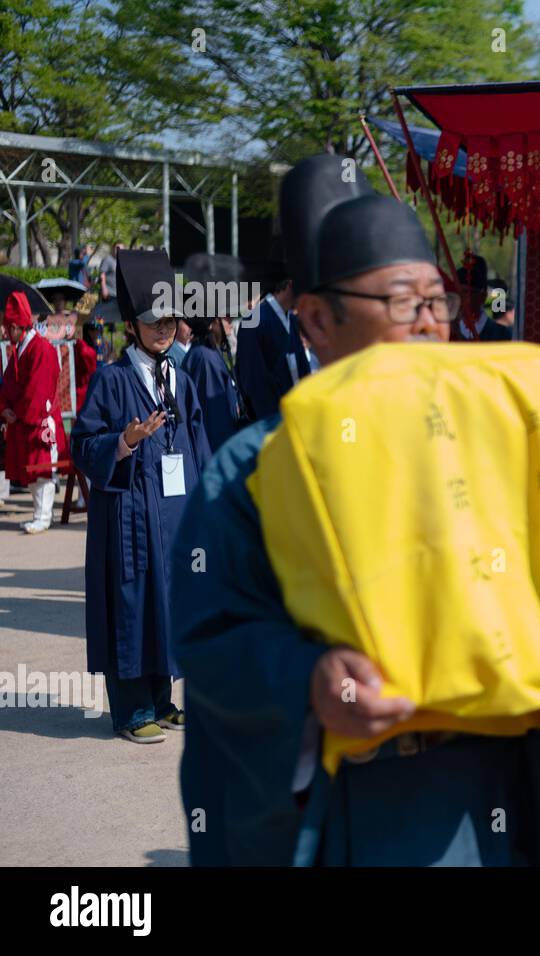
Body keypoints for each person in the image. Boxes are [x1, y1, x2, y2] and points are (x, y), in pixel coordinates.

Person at [170, 154, 540, 866]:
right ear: (316, 320)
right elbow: (212, 640)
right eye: (402, 302)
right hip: (359, 802)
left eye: (437, 303)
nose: (429, 325)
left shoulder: (496, 442)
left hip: (496, 793)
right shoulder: (256, 466)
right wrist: (313, 680)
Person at [71, 250, 212, 742]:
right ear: (131, 325)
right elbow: (83, 445)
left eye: (170, 320)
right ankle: (131, 709)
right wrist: (125, 441)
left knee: (169, 603)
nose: (163, 329)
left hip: (176, 516)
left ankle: (161, 700)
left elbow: (199, 445)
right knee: (134, 602)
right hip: (130, 515)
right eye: (153, 322)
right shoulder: (111, 380)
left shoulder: (181, 379)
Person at [1, 292, 69, 533]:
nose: (6, 332)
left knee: (42, 470)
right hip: (24, 419)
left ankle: (44, 516)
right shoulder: (22, 348)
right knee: (32, 470)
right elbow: (8, 384)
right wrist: (5, 409)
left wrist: (15, 413)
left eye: (9, 328)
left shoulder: (40, 348)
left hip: (40, 421)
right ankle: (39, 514)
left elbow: (37, 390)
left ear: (19, 326)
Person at [234, 273, 310, 422]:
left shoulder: (293, 321)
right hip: (271, 422)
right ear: (289, 283)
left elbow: (303, 371)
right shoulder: (254, 321)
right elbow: (253, 382)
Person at [181, 311, 243, 452]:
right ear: (210, 323)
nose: (231, 322)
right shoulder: (206, 358)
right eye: (226, 316)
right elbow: (216, 422)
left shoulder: (207, 353)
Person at [452, 254, 512, 341]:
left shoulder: (501, 335)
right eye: (457, 292)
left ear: (482, 296)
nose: (460, 298)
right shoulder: (450, 331)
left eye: (466, 293)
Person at [74, 318, 100, 414]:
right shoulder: (87, 350)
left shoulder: (77, 345)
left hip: (76, 391)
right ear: (90, 332)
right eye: (97, 330)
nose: (98, 333)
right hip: (84, 393)